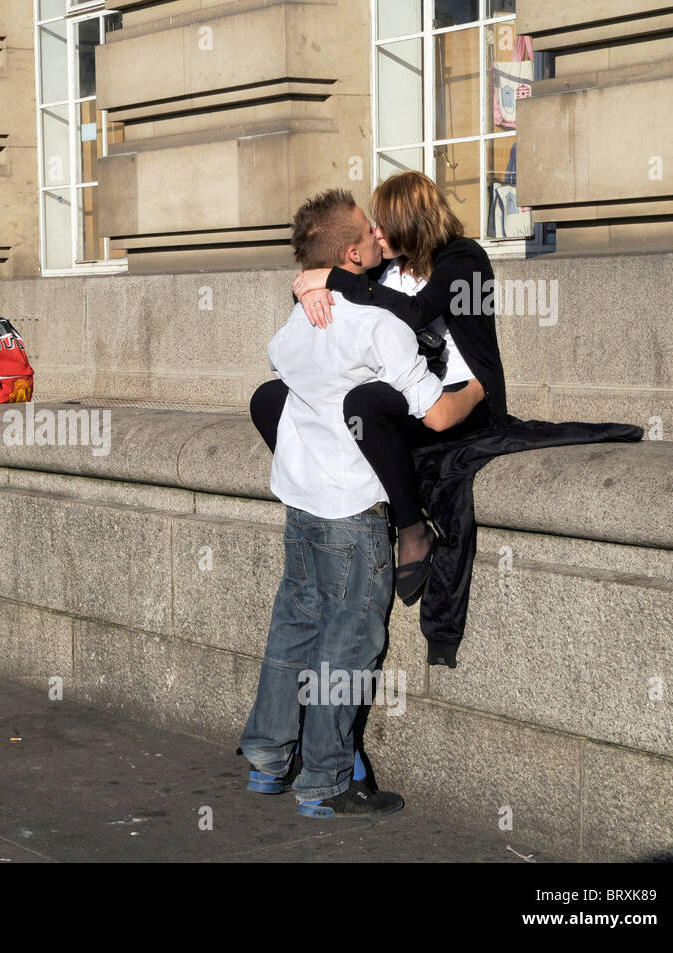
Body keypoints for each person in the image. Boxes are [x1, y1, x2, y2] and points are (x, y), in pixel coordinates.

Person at [239, 189, 480, 818]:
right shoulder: (380, 327)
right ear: (352, 253)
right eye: (370, 234)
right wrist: (478, 388)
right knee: (348, 644)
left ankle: (267, 760)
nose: (381, 237)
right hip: (352, 509)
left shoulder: (295, 326)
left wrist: (306, 288)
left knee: (293, 627)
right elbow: (435, 411)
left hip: (300, 501)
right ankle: (323, 781)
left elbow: (281, 366)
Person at [253, 171, 500, 603]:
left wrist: (332, 278)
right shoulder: (388, 263)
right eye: (373, 228)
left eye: (382, 224)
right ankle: (327, 489)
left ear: (411, 223)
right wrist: (308, 289)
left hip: (463, 394)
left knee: (364, 402)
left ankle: (411, 528)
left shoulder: (464, 259)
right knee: (270, 399)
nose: (376, 234)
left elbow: (418, 310)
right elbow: (349, 284)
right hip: (405, 393)